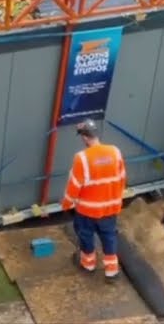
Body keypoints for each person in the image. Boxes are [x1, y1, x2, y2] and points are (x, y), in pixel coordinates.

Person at [61, 119, 127, 281]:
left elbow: (74, 186)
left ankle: (88, 265)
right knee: (109, 236)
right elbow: (122, 179)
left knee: (86, 236)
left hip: (87, 211)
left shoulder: (82, 158)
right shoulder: (115, 152)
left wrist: (66, 204)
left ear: (84, 137)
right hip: (110, 209)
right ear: (96, 134)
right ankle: (111, 271)